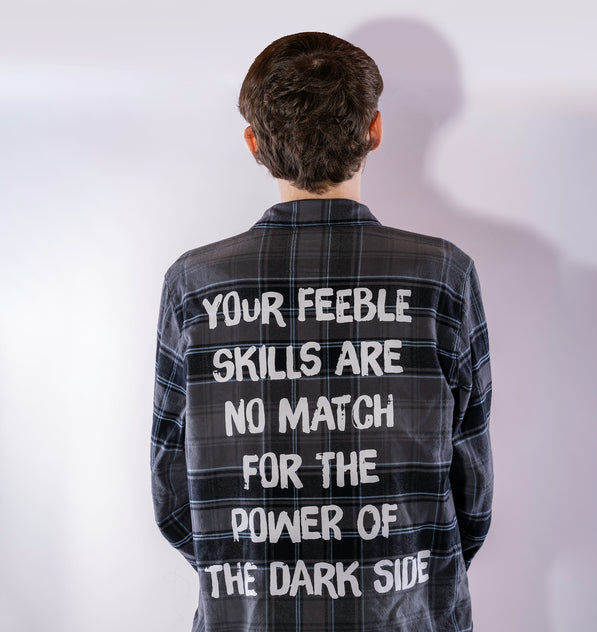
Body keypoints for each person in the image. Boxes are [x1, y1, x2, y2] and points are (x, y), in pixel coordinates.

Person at [151, 31, 492, 632]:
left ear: (254, 144)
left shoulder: (195, 285)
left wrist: (255, 571)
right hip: (408, 614)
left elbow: (172, 490)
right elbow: (472, 487)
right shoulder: (443, 275)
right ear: (374, 130)